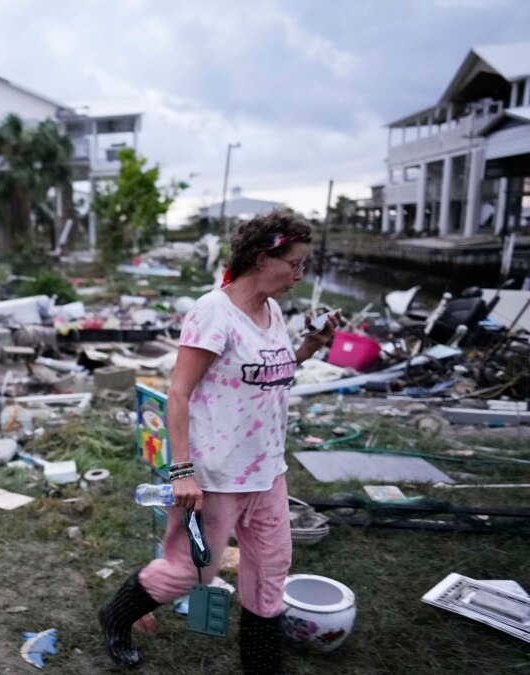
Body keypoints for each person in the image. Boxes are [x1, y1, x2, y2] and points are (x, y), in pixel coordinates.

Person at [98, 210, 340, 673]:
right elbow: (179, 393)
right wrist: (183, 470)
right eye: (294, 263)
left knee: (270, 571)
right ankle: (116, 616)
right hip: (215, 476)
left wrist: (310, 346)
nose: (299, 274)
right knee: (192, 571)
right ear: (261, 257)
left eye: (303, 264)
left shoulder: (272, 310)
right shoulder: (213, 312)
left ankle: (261, 666)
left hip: (268, 470)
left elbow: (276, 373)